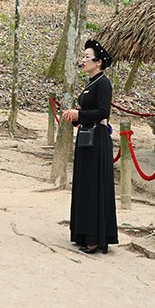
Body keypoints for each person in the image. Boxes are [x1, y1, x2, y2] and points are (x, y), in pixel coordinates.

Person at [60, 39, 119, 255]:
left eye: (87, 57)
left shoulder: (103, 83)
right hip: (86, 138)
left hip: (97, 140)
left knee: (93, 185)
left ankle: (95, 239)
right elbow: (87, 111)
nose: (83, 60)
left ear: (99, 62)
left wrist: (80, 114)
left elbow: (103, 112)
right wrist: (75, 117)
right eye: (83, 57)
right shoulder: (90, 83)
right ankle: (82, 233)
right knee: (83, 184)